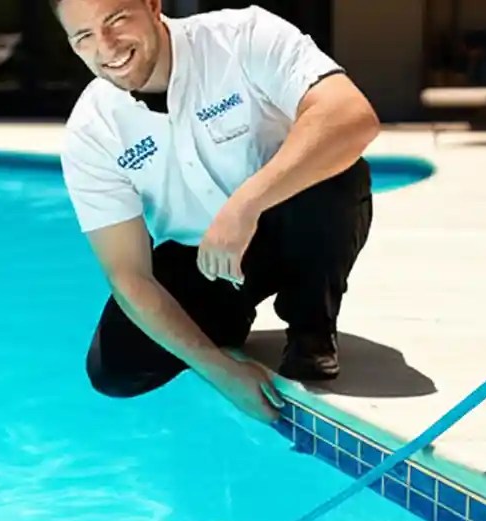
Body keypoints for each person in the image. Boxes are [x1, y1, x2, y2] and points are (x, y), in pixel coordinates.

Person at [52, 0, 380, 424]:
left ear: (153, 5)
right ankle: (225, 322)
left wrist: (246, 205)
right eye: (84, 37)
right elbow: (128, 275)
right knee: (115, 368)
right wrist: (221, 371)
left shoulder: (241, 36)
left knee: (335, 172)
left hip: (291, 224)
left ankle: (311, 326)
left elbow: (351, 116)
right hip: (202, 258)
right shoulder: (91, 131)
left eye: (116, 20)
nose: (107, 46)